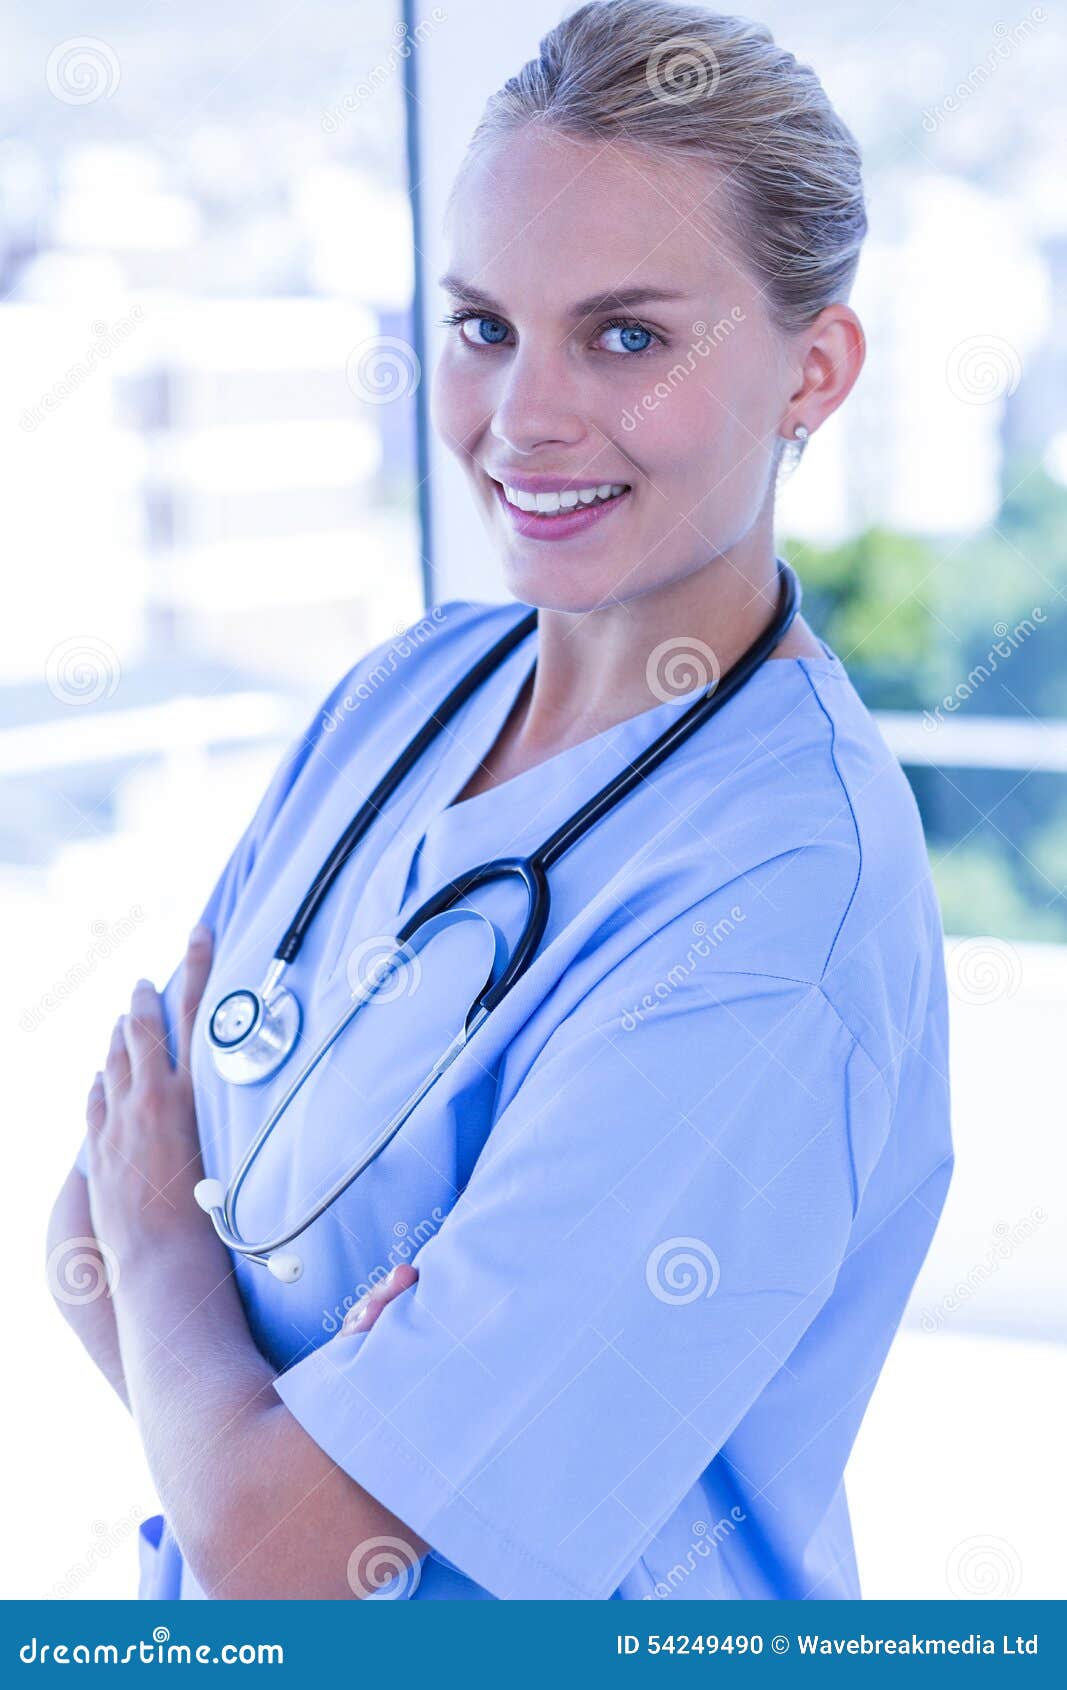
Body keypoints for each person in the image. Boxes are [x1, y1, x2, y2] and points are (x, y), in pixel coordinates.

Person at [47, 0, 953, 1601]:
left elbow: (307, 1558)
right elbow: (77, 1241)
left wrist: (175, 1254)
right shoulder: (401, 698)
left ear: (817, 370)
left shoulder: (772, 902)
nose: (522, 418)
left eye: (626, 336)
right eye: (482, 327)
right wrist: (284, 1414)